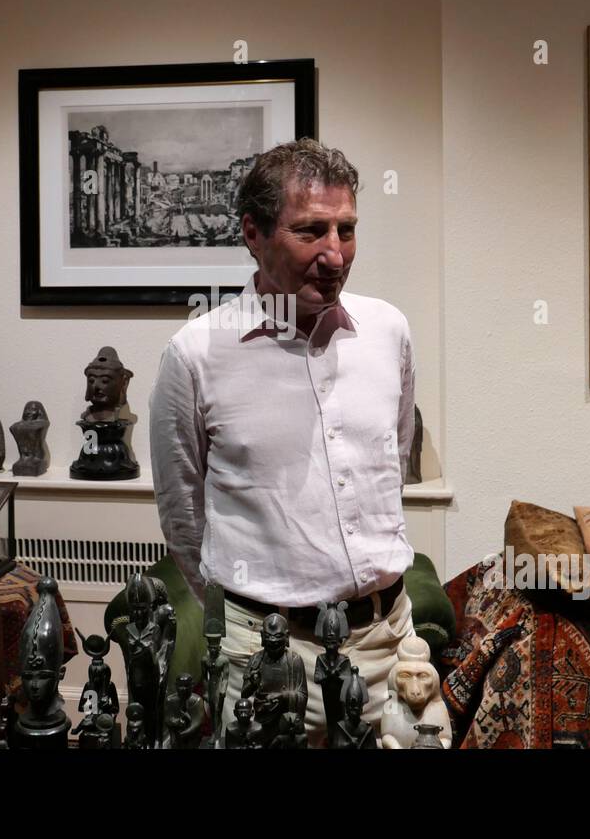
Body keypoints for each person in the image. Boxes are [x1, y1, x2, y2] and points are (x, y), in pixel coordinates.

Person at [150, 137, 416, 746]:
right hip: (266, 663)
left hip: (391, 643)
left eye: (346, 230)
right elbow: (184, 515)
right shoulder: (194, 355)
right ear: (253, 233)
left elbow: (392, 467)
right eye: (310, 231)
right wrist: (245, 628)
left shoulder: (388, 332)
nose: (334, 254)